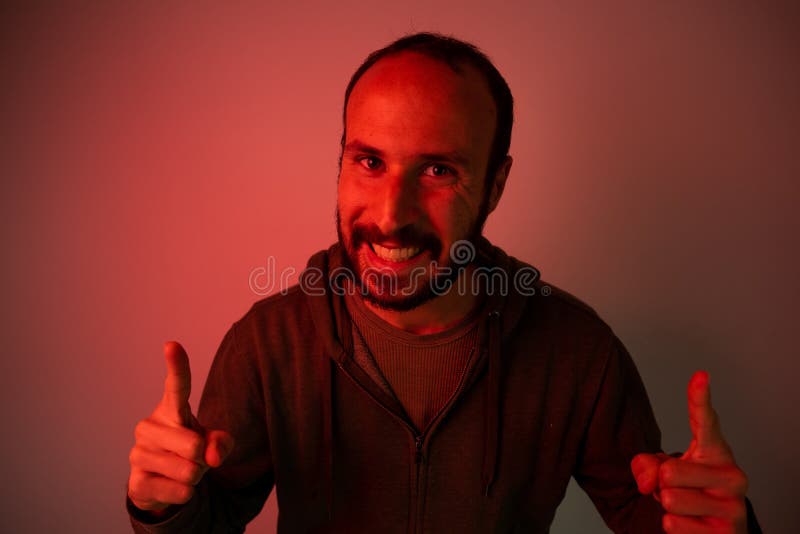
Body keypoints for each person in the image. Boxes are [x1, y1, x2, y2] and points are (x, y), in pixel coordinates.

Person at [126, 32, 760, 533]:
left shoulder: (578, 353)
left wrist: (716, 525)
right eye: (369, 161)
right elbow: (202, 526)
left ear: (495, 185)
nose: (391, 215)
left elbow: (662, 520)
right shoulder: (268, 343)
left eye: (436, 169)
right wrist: (161, 507)